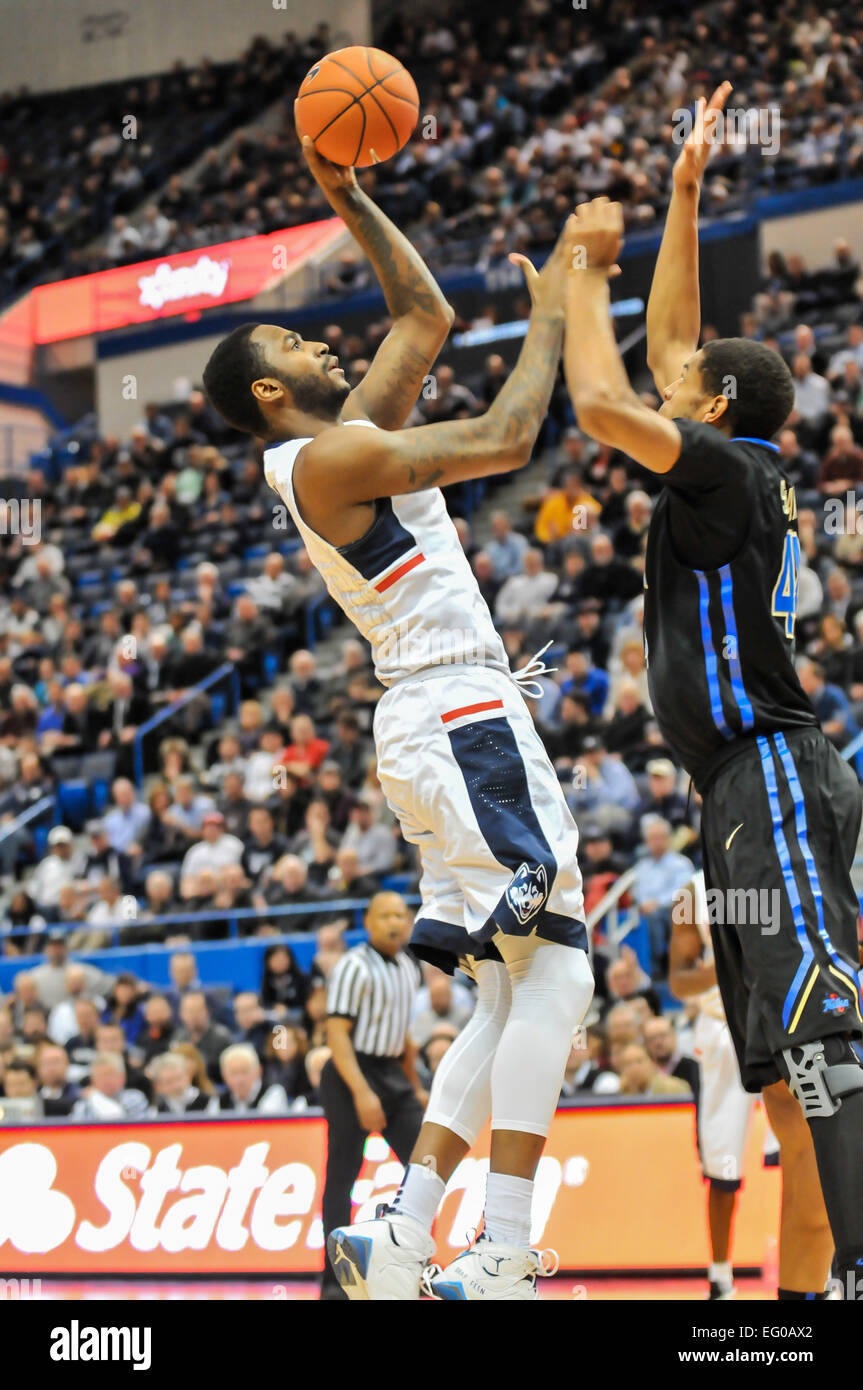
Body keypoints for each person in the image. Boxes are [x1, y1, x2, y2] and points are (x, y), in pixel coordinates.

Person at [202, 132, 593, 1300]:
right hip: (462, 714)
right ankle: (505, 1241)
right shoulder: (324, 464)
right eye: (292, 341)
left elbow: (417, 317)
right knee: (559, 966)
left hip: (436, 721)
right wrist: (556, 323)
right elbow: (508, 440)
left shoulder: (342, 447)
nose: (321, 338)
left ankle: (404, 1233)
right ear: (269, 392)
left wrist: (349, 197)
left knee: (505, 983)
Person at [563, 85, 863, 1300]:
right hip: (733, 788)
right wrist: (682, 194)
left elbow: (598, 402)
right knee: (792, 1098)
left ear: (713, 412)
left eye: (681, 388)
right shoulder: (736, 471)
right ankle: (792, 1317)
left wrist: (583, 276)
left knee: (826, 1043)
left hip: (773, 773)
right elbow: (675, 350)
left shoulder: (726, 472)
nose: (664, 383)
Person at [670, 873, 782, 1301]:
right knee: (722, 1167)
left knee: (801, 1153)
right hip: (722, 1033)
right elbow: (680, 982)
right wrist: (730, 963)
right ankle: (720, 1278)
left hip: (781, 1026)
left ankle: (811, 1270)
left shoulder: (781, 868)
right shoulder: (692, 892)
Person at [318, 893, 425, 1301]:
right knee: (342, 1177)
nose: (395, 922)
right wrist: (362, 1092)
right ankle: (335, 1281)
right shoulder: (352, 966)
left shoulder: (407, 967)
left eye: (401, 915)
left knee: (424, 1171)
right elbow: (336, 1035)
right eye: (386, 916)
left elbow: (404, 1037)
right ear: (368, 921)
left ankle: (407, 1266)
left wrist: (414, 1085)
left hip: (391, 1070)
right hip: (350, 1073)